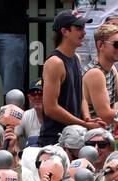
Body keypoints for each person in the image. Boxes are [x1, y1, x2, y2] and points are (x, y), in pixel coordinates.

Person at [39, 12, 94, 147]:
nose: (84, 33)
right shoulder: (55, 63)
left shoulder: (77, 58)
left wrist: (87, 119)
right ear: (64, 31)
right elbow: (50, 108)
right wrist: (83, 124)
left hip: (75, 138)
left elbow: (81, 98)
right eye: (79, 29)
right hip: (54, 142)